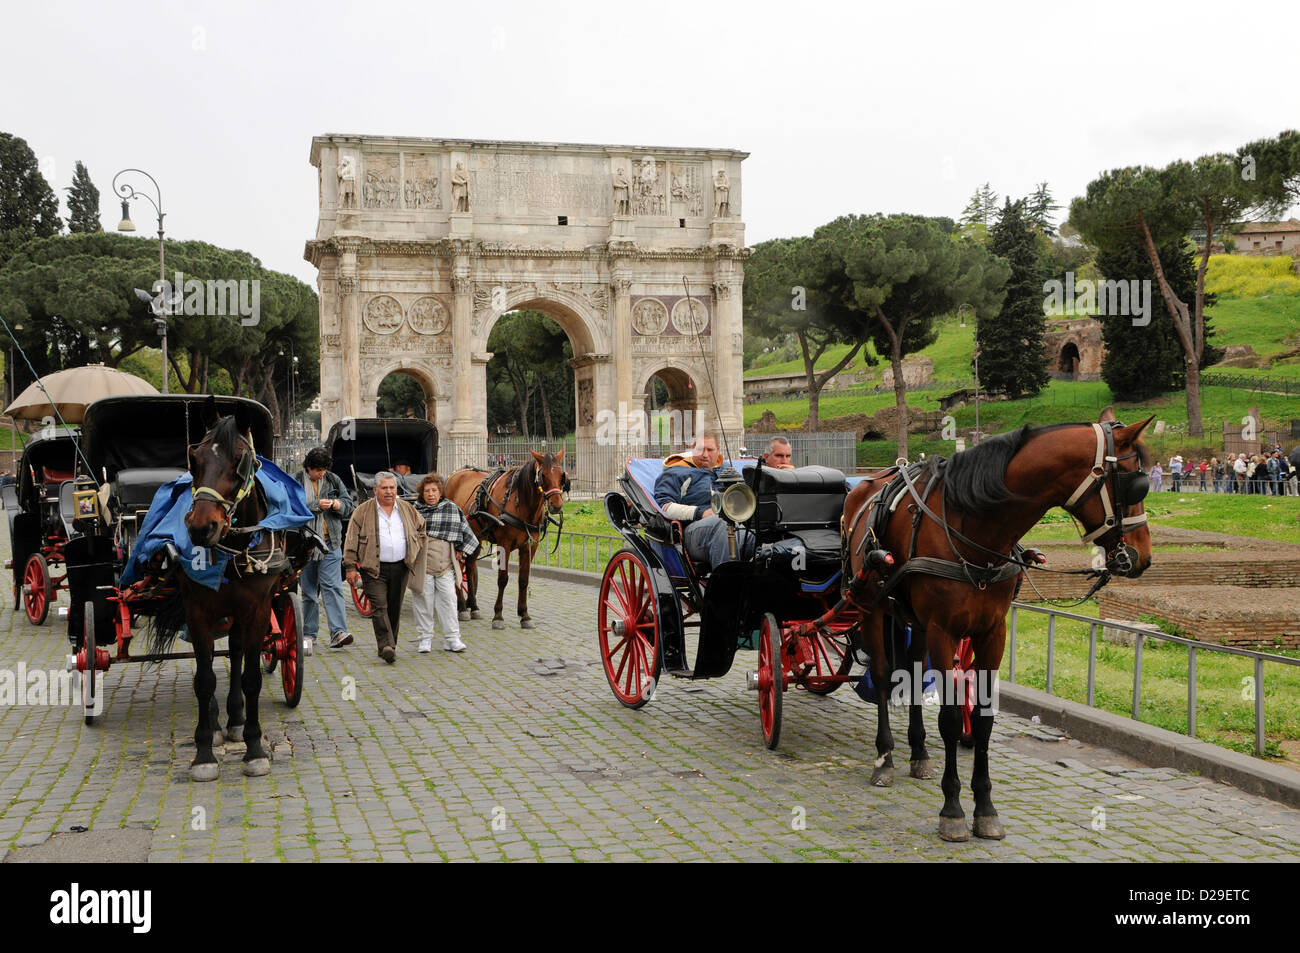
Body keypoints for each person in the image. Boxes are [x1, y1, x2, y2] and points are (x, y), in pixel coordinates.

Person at [344, 472, 426, 664]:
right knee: (379, 606)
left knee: (394, 607)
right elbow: (351, 540)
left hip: (401, 567)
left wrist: (414, 548)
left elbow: (421, 527)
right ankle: (385, 646)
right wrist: (350, 567)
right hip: (373, 568)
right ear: (375, 490)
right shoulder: (362, 511)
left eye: (392, 488)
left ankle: (391, 645)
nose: (389, 492)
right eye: (385, 488)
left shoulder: (407, 508)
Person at [653, 431, 754, 571]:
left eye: (710, 450)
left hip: (736, 527)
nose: (705, 455)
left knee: (763, 533)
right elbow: (664, 506)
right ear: (693, 448)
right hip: (693, 532)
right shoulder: (675, 472)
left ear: (718, 449)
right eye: (700, 449)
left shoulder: (729, 471)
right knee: (723, 523)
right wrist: (700, 513)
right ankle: (726, 587)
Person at [293, 448, 357, 655]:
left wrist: (337, 504)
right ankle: (309, 634)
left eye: (323, 470)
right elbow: (291, 507)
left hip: (331, 543)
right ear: (308, 467)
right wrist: (315, 505)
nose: (321, 474)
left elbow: (349, 505)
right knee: (309, 593)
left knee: (333, 587)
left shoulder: (333, 480)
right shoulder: (296, 480)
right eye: (317, 470)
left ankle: (338, 632)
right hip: (306, 545)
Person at [411, 473, 478, 654]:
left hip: (446, 566)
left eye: (434, 490)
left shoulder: (451, 509)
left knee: (448, 601)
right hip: (423, 565)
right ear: (422, 493)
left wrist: (460, 548)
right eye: (427, 491)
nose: (431, 494)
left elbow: (465, 532)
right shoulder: (415, 511)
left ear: (441, 492)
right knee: (423, 601)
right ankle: (425, 639)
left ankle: (452, 639)